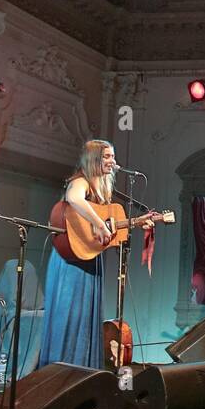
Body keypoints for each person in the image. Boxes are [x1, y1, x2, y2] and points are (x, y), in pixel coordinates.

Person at [38, 139, 151, 370]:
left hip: (88, 260)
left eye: (113, 157)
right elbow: (74, 199)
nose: (113, 162)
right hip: (71, 262)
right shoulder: (80, 182)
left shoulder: (103, 191)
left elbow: (107, 226)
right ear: (93, 159)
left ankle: (83, 372)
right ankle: (60, 373)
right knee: (68, 317)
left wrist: (139, 222)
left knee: (85, 318)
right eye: (107, 156)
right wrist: (99, 224)